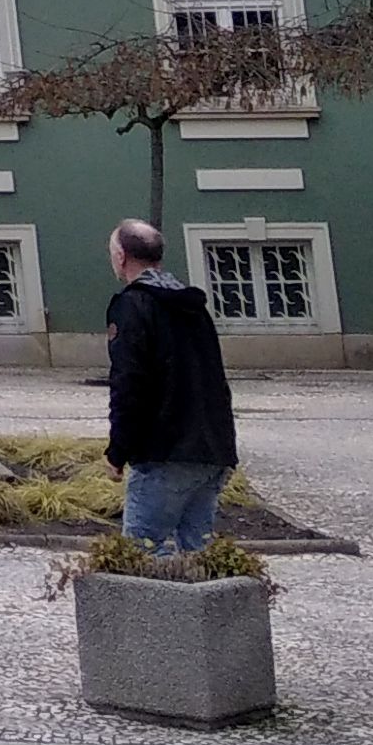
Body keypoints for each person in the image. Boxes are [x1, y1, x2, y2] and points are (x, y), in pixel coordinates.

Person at [102, 216, 236, 552]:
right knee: (198, 556)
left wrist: (117, 451)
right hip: (211, 451)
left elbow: (129, 385)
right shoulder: (193, 306)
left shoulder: (132, 306)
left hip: (164, 451)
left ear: (121, 258)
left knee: (143, 554)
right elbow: (216, 380)